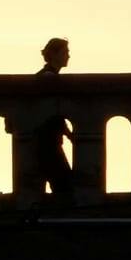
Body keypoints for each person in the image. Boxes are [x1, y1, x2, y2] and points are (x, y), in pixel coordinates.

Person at [31, 38, 74, 197]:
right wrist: (69, 134)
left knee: (62, 186)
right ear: (54, 55)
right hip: (47, 144)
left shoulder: (46, 76)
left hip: (48, 142)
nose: (68, 56)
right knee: (65, 188)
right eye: (65, 52)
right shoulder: (49, 78)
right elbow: (53, 112)